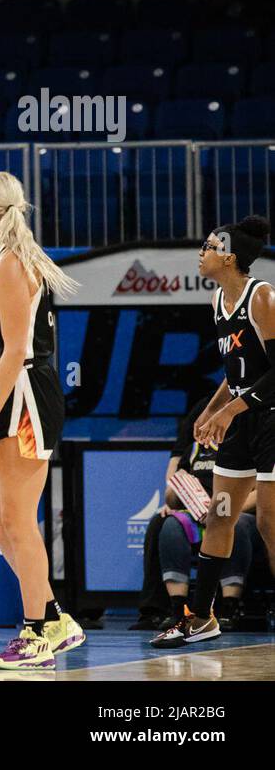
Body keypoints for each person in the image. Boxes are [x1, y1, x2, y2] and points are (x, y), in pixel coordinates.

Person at [0, 172, 85, 670]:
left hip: (25, 395)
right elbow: (9, 338)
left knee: (18, 520)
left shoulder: (10, 263)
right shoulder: (4, 260)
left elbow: (17, 353)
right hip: (12, 387)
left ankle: (36, 633)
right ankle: (52, 615)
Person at [154, 216, 275, 647]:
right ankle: (202, 618)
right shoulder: (216, 303)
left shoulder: (261, 298)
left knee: (267, 521)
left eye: (208, 246)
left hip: (270, 419)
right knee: (221, 515)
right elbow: (235, 373)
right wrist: (211, 411)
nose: (201, 252)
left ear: (228, 255)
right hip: (241, 420)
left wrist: (234, 409)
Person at [135, 396, 263, 638]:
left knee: (241, 522)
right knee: (173, 524)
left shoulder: (250, 431)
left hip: (239, 510)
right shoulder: (195, 448)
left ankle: (229, 607)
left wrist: (221, 511)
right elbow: (174, 486)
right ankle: (184, 612)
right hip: (196, 512)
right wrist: (180, 495)